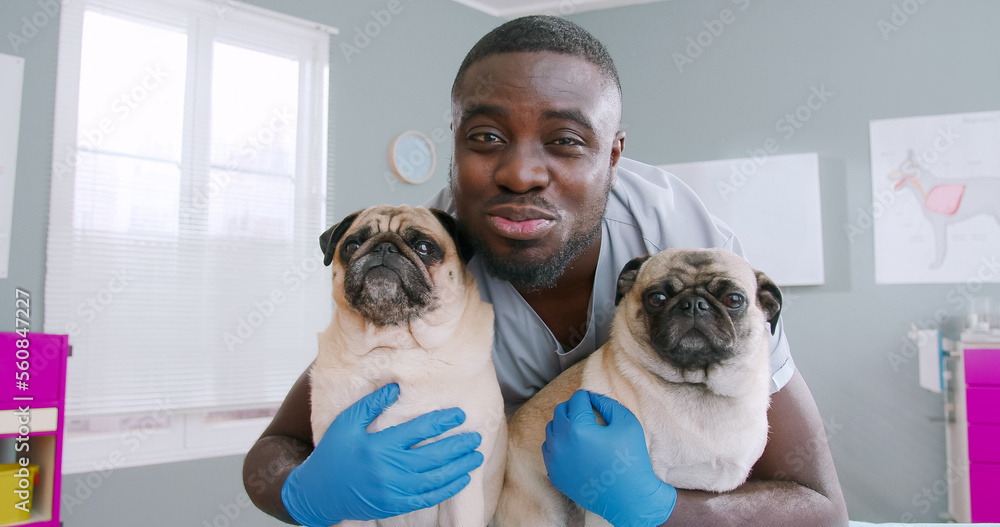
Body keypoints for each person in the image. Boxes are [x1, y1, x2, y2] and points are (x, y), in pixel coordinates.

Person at [244, 15, 849, 527]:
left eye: (565, 140)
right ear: (454, 146)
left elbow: (820, 505)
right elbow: (270, 454)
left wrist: (662, 508)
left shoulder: (687, 249)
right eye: (485, 136)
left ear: (613, 156)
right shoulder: (432, 259)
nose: (521, 173)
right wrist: (307, 492)